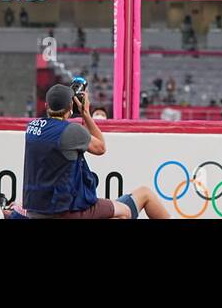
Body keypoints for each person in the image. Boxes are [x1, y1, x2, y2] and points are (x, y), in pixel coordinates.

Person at [22, 83, 167, 219]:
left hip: (36, 210)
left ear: (46, 105)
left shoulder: (32, 127)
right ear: (71, 106)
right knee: (126, 211)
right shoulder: (71, 130)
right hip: (67, 210)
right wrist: (85, 113)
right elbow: (101, 147)